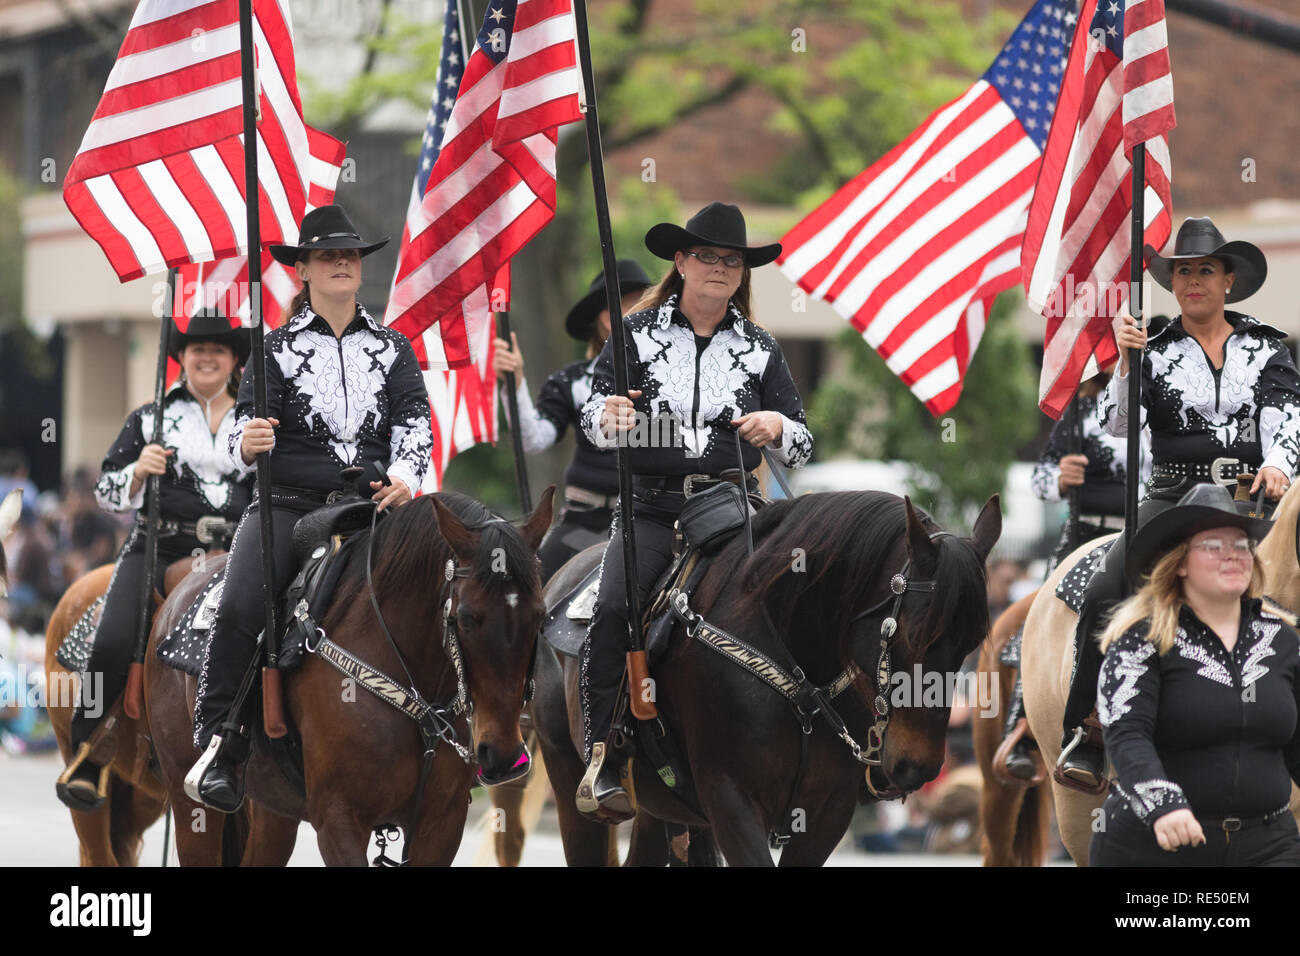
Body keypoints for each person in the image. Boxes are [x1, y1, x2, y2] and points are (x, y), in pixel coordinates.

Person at [186, 205, 433, 813]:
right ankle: (220, 743)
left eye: (350, 255)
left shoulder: (395, 347)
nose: (343, 263)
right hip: (288, 510)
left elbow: (417, 427)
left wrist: (404, 475)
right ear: (303, 271)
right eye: (329, 255)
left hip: (373, 511)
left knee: (449, 592)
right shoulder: (271, 351)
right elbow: (239, 428)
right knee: (244, 600)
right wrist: (246, 441)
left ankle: (465, 736)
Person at [574, 201, 814, 820]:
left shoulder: (761, 348)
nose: (718, 268)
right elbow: (593, 415)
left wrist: (778, 425)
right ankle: (604, 751)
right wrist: (611, 416)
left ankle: (802, 746)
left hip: (734, 509)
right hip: (654, 509)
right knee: (616, 605)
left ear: (741, 275)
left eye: (730, 261)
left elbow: (806, 442)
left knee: (794, 600)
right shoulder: (634, 332)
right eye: (706, 256)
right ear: (680, 263)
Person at [1058, 216, 1300, 790]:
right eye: (1183, 272)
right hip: (1172, 496)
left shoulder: (1268, 346)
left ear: (1229, 281)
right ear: (1172, 283)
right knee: (1104, 586)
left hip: (1253, 499)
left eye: (1206, 271)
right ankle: (1089, 731)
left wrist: (1278, 465)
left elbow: (1287, 416)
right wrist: (1124, 364)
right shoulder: (1154, 347)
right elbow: (1119, 427)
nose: (1194, 281)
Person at [56, 309, 253, 811]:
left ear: (234, 361)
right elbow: (104, 492)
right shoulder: (151, 418)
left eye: (218, 349)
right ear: (181, 358)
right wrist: (137, 473)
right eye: (196, 349)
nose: (206, 356)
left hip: (237, 553)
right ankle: (90, 750)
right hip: (158, 547)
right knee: (112, 639)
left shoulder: (254, 423)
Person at [1092, 483, 1300, 866]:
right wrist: (1164, 805)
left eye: (1241, 545)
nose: (1232, 555)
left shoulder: (1284, 640)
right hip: (1157, 844)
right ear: (1181, 562)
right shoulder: (1142, 638)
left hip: (1269, 848)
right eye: (1213, 545)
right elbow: (1127, 732)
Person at [493, 260, 652, 580]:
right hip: (583, 523)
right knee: (529, 587)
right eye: (622, 303)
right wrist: (516, 383)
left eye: (640, 301)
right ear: (604, 317)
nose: (633, 311)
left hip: (649, 520)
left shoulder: (669, 381)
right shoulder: (571, 381)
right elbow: (534, 439)